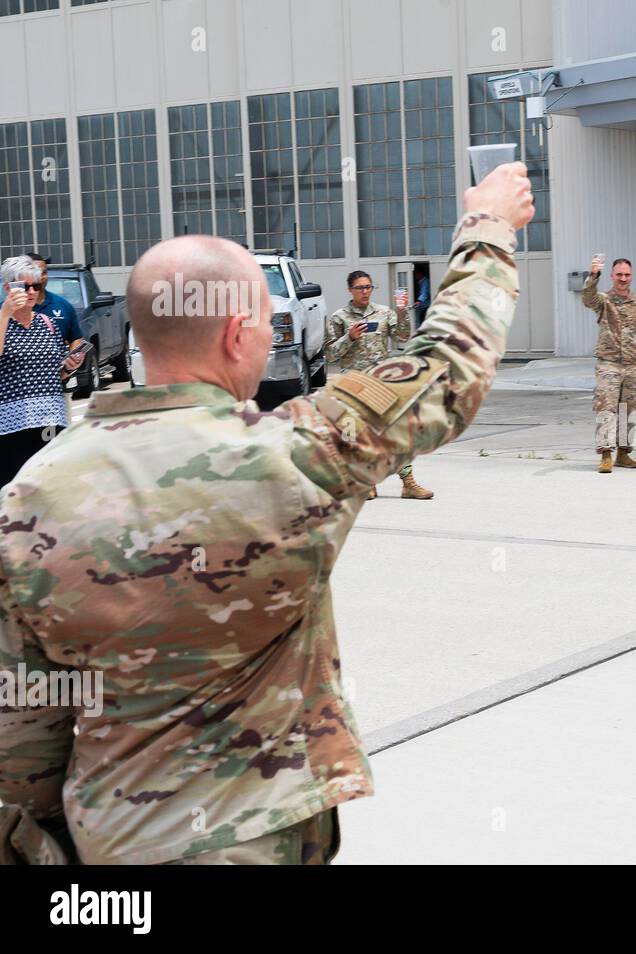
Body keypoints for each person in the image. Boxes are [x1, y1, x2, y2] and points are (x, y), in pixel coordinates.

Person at [0, 161, 533, 864]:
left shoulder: (28, 498)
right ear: (236, 336)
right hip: (252, 843)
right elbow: (451, 366)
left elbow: (25, 736)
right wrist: (488, 225)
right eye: (266, 323)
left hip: (110, 850)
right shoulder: (296, 452)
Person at [325, 270, 434, 500]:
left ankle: (408, 483)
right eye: (360, 288)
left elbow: (402, 337)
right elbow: (330, 354)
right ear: (350, 290)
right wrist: (349, 337)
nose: (365, 291)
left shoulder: (384, 313)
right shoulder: (339, 318)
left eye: (368, 287)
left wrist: (403, 312)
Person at [0, 256, 84, 487]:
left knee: (48, 486)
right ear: (8, 288)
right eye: (23, 286)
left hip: (50, 420)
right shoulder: (1, 320)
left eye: (35, 286)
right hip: (11, 424)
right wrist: (5, 314)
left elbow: (56, 373)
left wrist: (69, 367)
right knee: (12, 487)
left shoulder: (47, 322)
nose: (31, 292)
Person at [583, 255, 636, 473]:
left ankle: (623, 453)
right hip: (609, 363)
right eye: (619, 275)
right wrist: (594, 275)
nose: (623, 278)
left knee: (630, 410)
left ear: (631, 276)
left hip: (633, 365)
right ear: (612, 276)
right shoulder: (603, 300)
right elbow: (588, 298)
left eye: (627, 275)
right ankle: (606, 454)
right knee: (606, 408)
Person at [27, 253, 85, 350]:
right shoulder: (7, 310)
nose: (41, 277)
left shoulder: (63, 306)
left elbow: (76, 338)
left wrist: (73, 357)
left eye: (44, 272)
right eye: (36, 273)